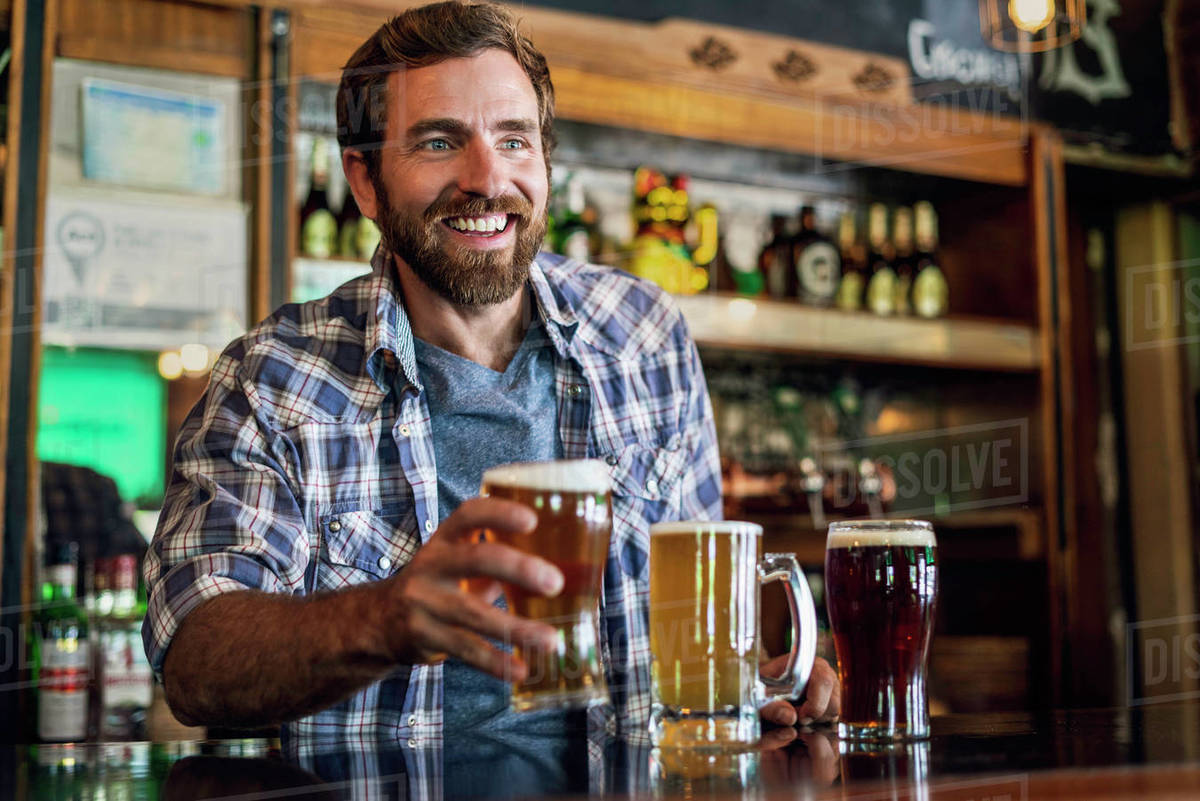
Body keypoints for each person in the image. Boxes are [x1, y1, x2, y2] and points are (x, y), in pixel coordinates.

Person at [143, 0, 838, 744]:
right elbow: (195, 654)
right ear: (366, 181)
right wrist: (387, 617)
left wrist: (758, 678)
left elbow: (696, 631)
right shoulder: (275, 378)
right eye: (440, 142)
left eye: (515, 140)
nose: (488, 179)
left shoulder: (645, 335)